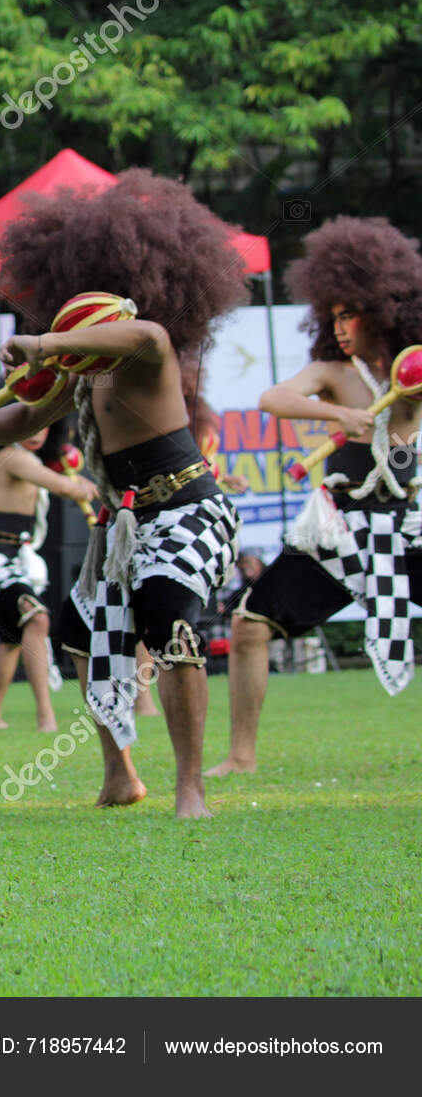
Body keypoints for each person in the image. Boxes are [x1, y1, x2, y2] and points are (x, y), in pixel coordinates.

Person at [0, 170, 249, 818]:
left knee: (170, 620)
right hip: (120, 524)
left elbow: (140, 336)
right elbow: (23, 419)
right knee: (81, 632)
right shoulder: (81, 375)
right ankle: (119, 772)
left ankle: (191, 786)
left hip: (185, 510)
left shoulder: (147, 348)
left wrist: (47, 342)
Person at [208, 217, 422, 777]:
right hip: (343, 527)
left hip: (407, 523)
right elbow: (273, 397)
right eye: (333, 315)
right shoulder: (332, 371)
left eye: (350, 313)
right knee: (249, 624)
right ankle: (241, 756)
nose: (341, 325)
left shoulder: (412, 369)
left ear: (384, 308)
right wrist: (337, 413)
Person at [0, 428, 98, 730]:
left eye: (44, 425)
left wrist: (85, 485)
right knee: (37, 619)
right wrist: (76, 487)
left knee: (10, 638)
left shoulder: (32, 462)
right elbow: (62, 487)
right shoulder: (11, 456)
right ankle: (45, 716)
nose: (37, 433)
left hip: (17, 559)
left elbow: (61, 481)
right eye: (31, 424)